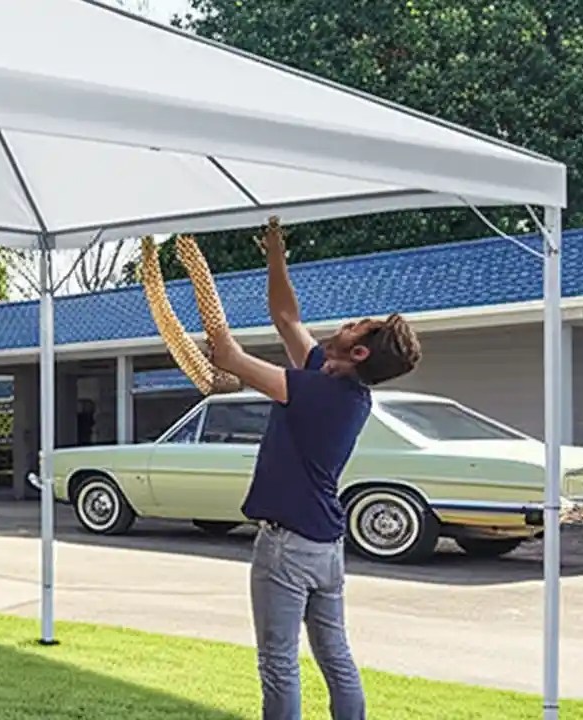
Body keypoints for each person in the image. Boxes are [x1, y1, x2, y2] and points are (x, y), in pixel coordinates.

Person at [207, 217, 421, 720]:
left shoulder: (317, 391)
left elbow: (232, 358)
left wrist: (212, 331)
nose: (345, 324)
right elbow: (286, 317)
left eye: (354, 327)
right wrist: (275, 252)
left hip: (287, 547)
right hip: (325, 546)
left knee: (278, 663)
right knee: (335, 656)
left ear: (359, 350)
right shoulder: (344, 389)